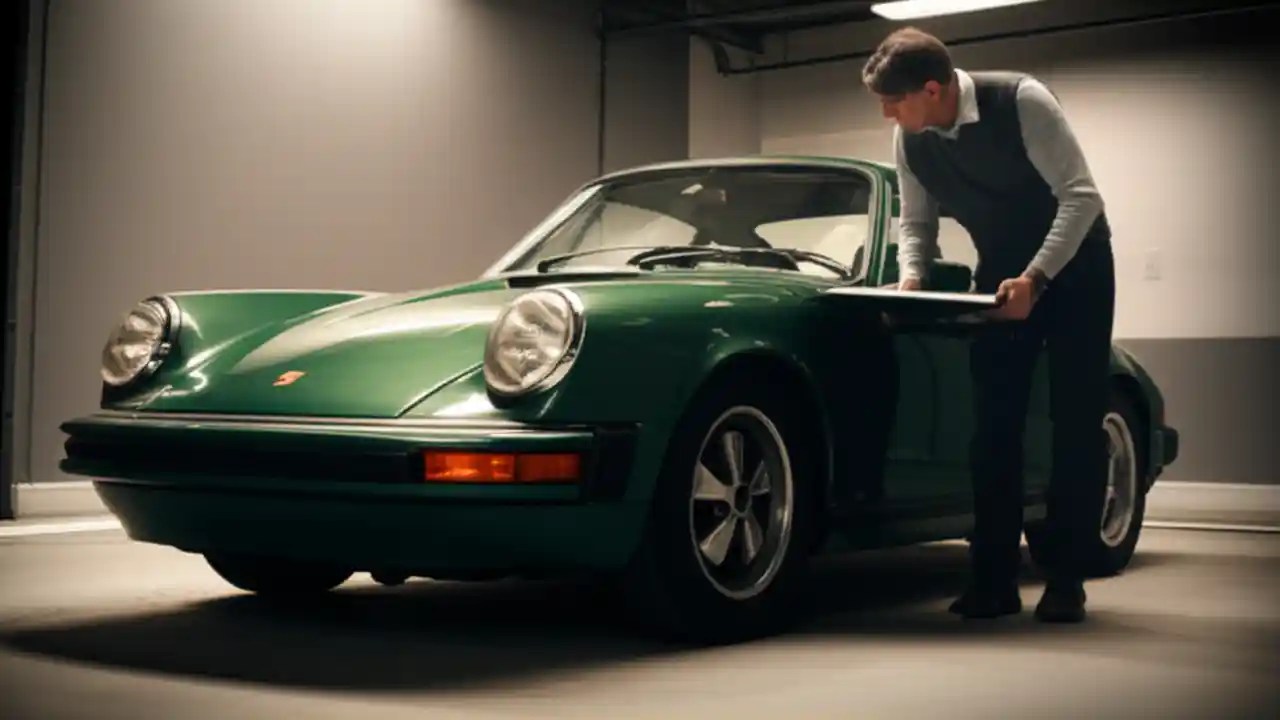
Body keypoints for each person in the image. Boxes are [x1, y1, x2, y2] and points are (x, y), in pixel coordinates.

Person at [861, 27, 1116, 622]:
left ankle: (1066, 581)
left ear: (932, 89)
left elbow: (1081, 199)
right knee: (993, 426)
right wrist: (912, 281)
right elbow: (916, 226)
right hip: (1000, 274)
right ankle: (994, 581)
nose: (886, 112)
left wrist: (1037, 279)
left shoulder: (1022, 101)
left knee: (1075, 422)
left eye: (894, 100)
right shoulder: (911, 137)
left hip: (1076, 269)